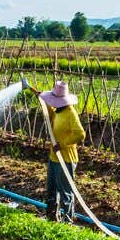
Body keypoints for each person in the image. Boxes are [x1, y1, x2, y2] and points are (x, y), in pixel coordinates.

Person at [27, 78, 87, 223]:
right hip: (54, 157)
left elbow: (80, 134)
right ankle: (51, 219)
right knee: (51, 190)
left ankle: (67, 223)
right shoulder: (58, 111)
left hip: (66, 158)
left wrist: (62, 144)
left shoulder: (70, 113)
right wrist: (39, 97)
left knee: (65, 192)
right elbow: (51, 115)